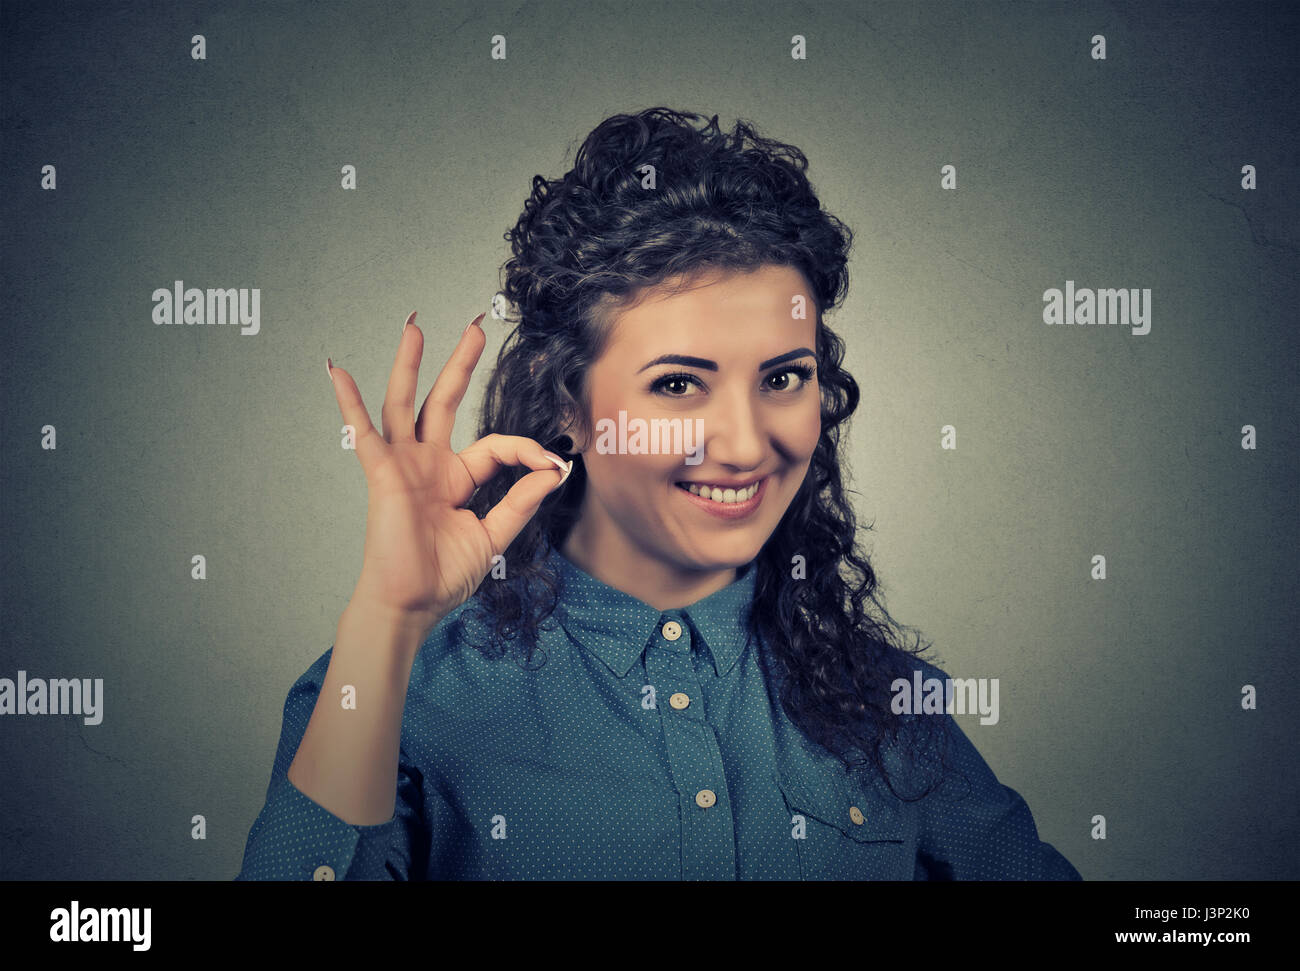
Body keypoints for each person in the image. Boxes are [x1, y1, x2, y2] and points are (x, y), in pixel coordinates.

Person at [236, 107, 1081, 880]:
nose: (749, 443)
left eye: (785, 376)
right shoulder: (389, 693)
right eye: (679, 385)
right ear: (569, 402)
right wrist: (384, 621)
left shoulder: (889, 706)